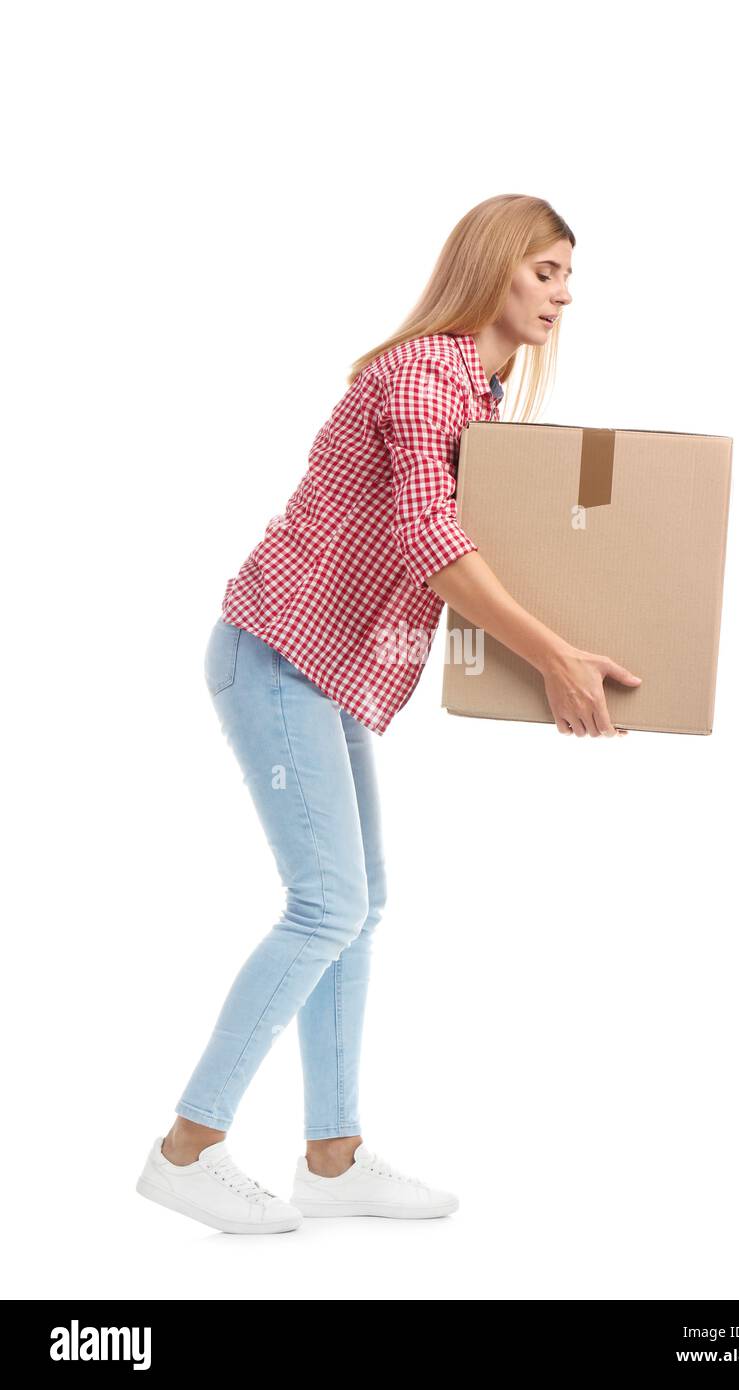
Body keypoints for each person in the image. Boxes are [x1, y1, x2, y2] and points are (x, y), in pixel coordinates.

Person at [135, 194, 642, 1235]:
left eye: (568, 276)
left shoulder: (481, 393)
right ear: (494, 266)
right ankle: (187, 1147)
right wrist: (551, 658)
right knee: (325, 903)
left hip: (329, 671)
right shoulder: (421, 377)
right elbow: (428, 541)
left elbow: (473, 546)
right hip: (276, 654)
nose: (564, 293)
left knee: (358, 906)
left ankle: (333, 1155)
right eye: (545, 270)